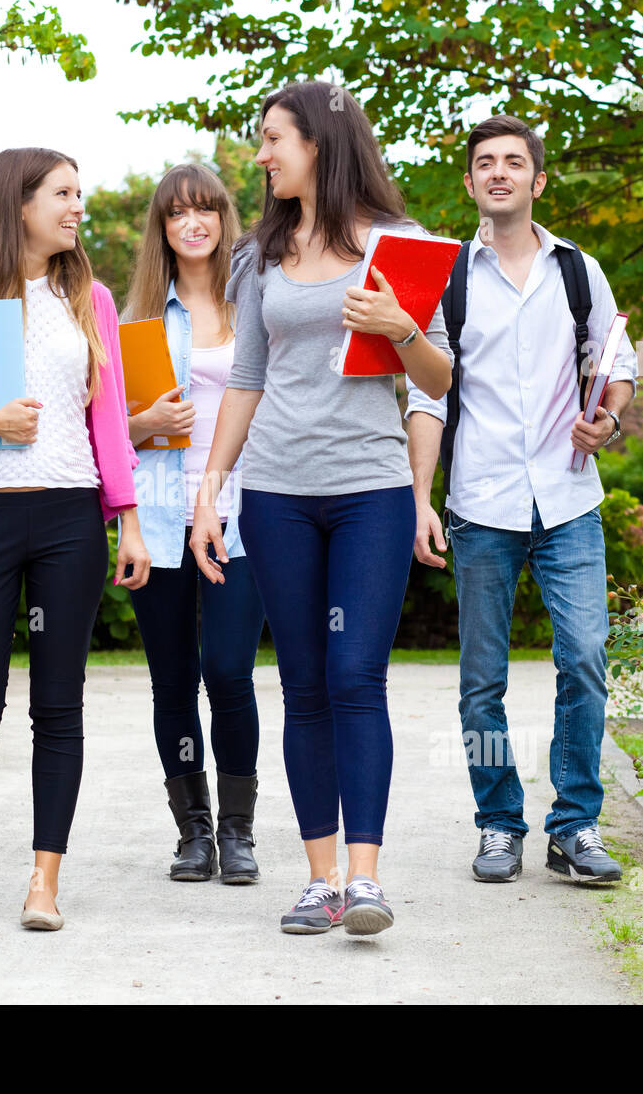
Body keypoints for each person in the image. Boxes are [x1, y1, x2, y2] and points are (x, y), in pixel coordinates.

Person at [189, 81, 452, 935]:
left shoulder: (400, 247)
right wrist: (210, 492)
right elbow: (247, 378)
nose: (262, 156)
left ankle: (367, 879)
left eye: (275, 140)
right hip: (275, 493)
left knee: (353, 678)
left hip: (371, 489)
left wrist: (400, 325)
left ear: (322, 144)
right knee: (301, 686)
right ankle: (320, 879)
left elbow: (440, 380)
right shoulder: (260, 253)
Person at [0, 147, 151, 930]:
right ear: (18, 205)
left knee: (59, 705)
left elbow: (107, 420)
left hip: (70, 517)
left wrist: (129, 519)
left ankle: (45, 876)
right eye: (63, 194)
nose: (78, 207)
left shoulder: (92, 301)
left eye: (81, 192)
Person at [405, 114, 638, 885]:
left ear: (536, 182)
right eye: (484, 163)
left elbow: (616, 361)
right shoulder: (449, 279)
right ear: (470, 182)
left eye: (513, 162)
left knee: (585, 658)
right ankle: (499, 823)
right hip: (480, 503)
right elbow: (428, 396)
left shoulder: (579, 270)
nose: (498, 172)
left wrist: (606, 415)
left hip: (569, 497)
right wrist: (421, 498)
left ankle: (574, 825)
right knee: (482, 683)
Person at [122, 164, 267, 883]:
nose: (193, 222)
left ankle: (239, 830)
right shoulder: (139, 322)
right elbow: (104, 436)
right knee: (172, 681)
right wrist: (140, 423)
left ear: (223, 217)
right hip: (158, 514)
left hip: (243, 510)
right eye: (178, 213)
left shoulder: (257, 305)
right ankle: (194, 831)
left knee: (228, 671)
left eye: (205, 208)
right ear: (164, 230)